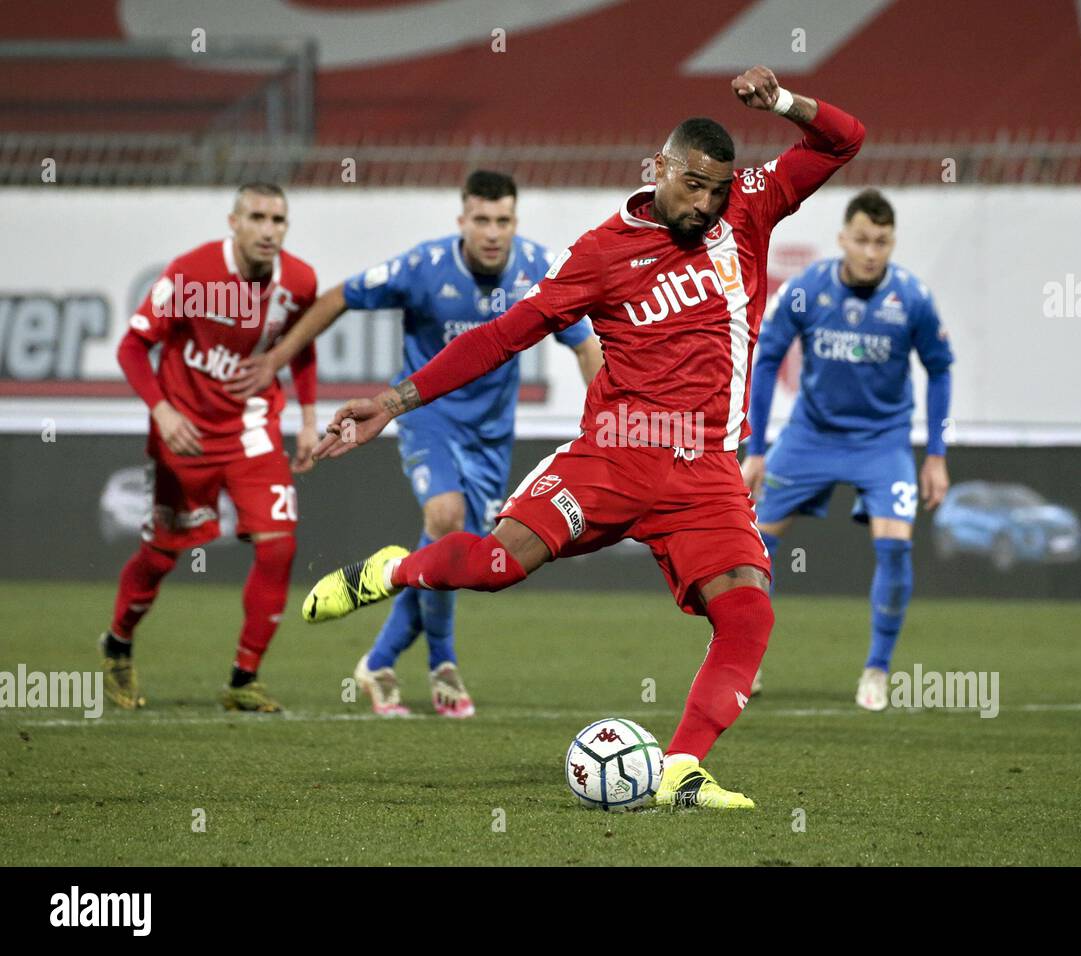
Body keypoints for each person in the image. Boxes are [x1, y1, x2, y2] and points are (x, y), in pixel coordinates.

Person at [303, 66, 863, 809]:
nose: (706, 202)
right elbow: (502, 336)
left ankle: (681, 771)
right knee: (497, 563)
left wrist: (786, 103)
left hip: (706, 473)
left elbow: (844, 140)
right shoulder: (601, 252)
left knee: (748, 608)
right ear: (659, 169)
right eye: (692, 184)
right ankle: (392, 571)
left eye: (717, 189)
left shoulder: (750, 210)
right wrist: (394, 401)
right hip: (616, 454)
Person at [228, 171, 601, 717]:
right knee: (445, 517)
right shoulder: (422, 269)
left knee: (456, 554)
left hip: (492, 437)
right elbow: (338, 297)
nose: (492, 233)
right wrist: (276, 360)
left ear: (515, 223)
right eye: (481, 220)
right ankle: (443, 663)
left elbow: (586, 345)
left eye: (503, 221)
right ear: (462, 221)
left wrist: (607, 420)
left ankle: (378, 662)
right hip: (428, 419)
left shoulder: (537, 270)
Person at [101, 182, 319, 712]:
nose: (270, 230)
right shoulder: (190, 273)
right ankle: (117, 645)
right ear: (234, 221)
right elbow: (133, 345)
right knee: (161, 555)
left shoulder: (299, 280)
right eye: (258, 217)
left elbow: (301, 348)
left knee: (279, 545)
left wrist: (310, 419)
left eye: (279, 220)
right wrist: (162, 409)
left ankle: (244, 681)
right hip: (187, 435)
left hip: (251, 429)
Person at [742, 189, 953, 711]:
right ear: (842, 239)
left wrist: (936, 454)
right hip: (810, 435)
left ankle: (877, 671)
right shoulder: (806, 289)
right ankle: (745, 661)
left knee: (896, 544)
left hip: (882, 442)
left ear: (892, 242)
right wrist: (758, 447)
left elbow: (941, 368)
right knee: (749, 545)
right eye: (861, 239)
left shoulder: (913, 298)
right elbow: (765, 359)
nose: (870, 252)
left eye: (881, 242)